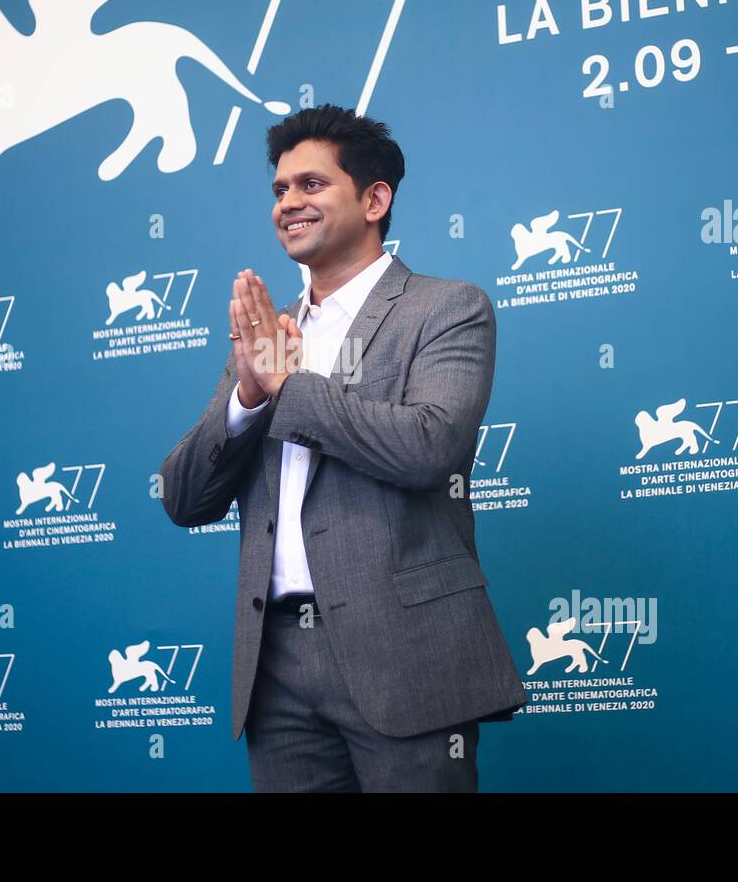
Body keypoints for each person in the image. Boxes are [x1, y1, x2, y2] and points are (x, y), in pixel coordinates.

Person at [159, 104, 525, 791]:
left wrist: (288, 387)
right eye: (279, 190)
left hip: (407, 653)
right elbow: (183, 499)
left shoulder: (446, 308)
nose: (288, 203)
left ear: (375, 199)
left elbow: (427, 447)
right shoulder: (271, 333)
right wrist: (246, 397)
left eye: (311, 185)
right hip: (276, 668)